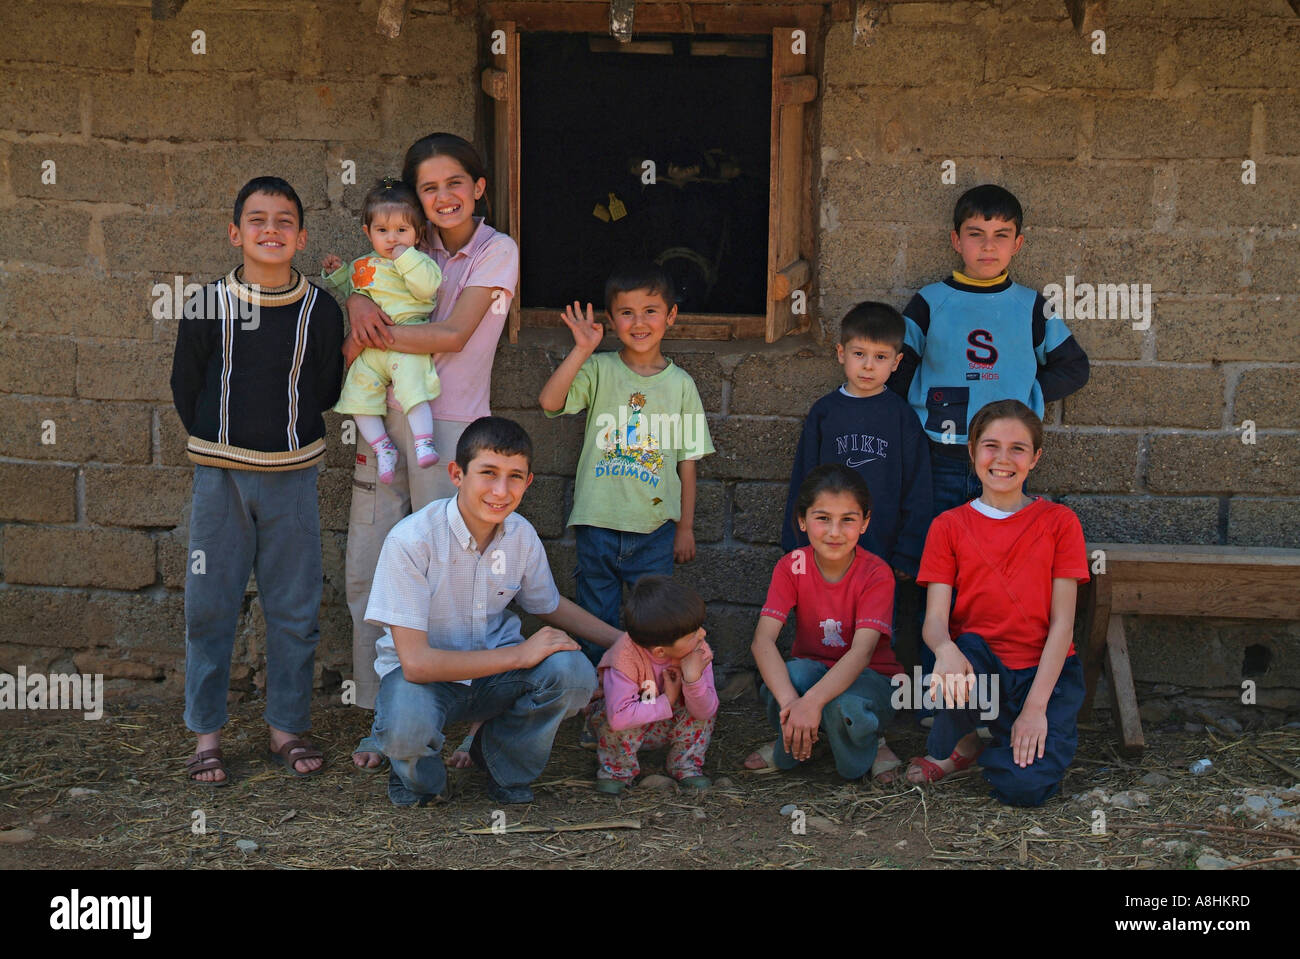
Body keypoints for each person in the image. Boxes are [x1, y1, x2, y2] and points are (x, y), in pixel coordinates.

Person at [344, 133, 519, 771]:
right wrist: (359, 297)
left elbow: (452, 332)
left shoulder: (495, 252)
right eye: (428, 187)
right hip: (382, 420)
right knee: (369, 564)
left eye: (454, 184)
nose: (442, 197)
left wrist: (367, 327)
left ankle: (455, 716)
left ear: (478, 188)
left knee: (444, 578)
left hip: (448, 428)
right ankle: (377, 714)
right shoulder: (397, 243)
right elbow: (359, 278)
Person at [170, 176, 344, 784]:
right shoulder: (205, 303)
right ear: (235, 230)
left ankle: (285, 729)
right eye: (257, 219)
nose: (270, 230)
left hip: (293, 481)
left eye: (284, 221)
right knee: (208, 609)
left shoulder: (322, 308)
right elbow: (185, 387)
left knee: (295, 612)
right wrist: (221, 439)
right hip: (220, 481)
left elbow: (326, 389)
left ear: (299, 235)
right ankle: (207, 736)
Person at [887, 183, 1090, 703]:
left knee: (994, 575)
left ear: (1018, 244)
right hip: (940, 455)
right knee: (931, 574)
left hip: (1001, 464)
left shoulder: (1029, 305)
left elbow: (1074, 365)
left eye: (1001, 236)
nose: (987, 247)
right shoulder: (931, 301)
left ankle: (995, 694)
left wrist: (1027, 397)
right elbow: (898, 367)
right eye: (976, 235)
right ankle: (935, 694)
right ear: (955, 240)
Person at [366, 417, 625, 806]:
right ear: (457, 474)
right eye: (488, 473)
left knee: (573, 674)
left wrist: (623, 643)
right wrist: (521, 654)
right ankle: (422, 781)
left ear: (529, 482)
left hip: (496, 681)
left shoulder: (521, 535)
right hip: (423, 682)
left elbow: (548, 604)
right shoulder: (412, 540)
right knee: (407, 725)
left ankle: (502, 763)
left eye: (514, 476)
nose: (501, 491)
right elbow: (417, 664)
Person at [904, 400, 1089, 807]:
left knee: (1024, 790)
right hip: (981, 665)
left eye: (1018, 448)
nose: (1002, 459)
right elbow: (934, 619)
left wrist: (1035, 709)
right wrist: (944, 648)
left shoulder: (1059, 522)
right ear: (971, 452)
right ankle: (966, 739)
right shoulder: (948, 526)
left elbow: (1063, 625)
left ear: (1035, 458)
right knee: (959, 651)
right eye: (991, 446)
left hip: (1044, 673)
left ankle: (1005, 742)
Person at [538, 262, 714, 667]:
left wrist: (685, 527)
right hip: (597, 523)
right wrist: (582, 349)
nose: (639, 322)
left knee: (656, 622)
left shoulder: (681, 385)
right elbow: (550, 402)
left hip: (654, 532)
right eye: (626, 312)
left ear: (671, 316)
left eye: (651, 310)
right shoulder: (599, 369)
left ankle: (652, 699)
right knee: (595, 617)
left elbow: (688, 462)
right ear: (611, 319)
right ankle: (599, 701)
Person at [747, 465, 904, 783]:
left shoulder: (876, 573)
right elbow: (762, 642)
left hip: (872, 680)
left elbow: (862, 653)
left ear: (865, 522)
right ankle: (797, 736)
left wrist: (812, 702)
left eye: (848, 519)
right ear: (802, 521)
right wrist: (794, 703)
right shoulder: (792, 566)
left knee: (842, 706)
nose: (835, 531)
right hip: (814, 672)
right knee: (787, 677)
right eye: (823, 518)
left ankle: (872, 743)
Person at [322, 177, 443, 483]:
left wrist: (406, 258)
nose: (392, 239)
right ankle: (383, 448)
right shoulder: (363, 264)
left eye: (402, 231)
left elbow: (428, 287)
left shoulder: (421, 263)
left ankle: (423, 441)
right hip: (372, 351)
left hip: (407, 343)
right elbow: (353, 289)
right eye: (382, 231)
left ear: (418, 234)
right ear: (368, 233)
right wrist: (336, 274)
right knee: (355, 396)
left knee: (413, 389)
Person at [592, 576, 717, 796]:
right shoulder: (625, 658)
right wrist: (666, 700)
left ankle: (684, 765)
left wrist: (693, 678)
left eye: (699, 628)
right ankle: (617, 772)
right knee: (613, 722)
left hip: (668, 724)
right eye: (692, 634)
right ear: (659, 651)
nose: (702, 634)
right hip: (631, 721)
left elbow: (706, 711)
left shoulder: (697, 651)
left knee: (702, 707)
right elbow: (619, 717)